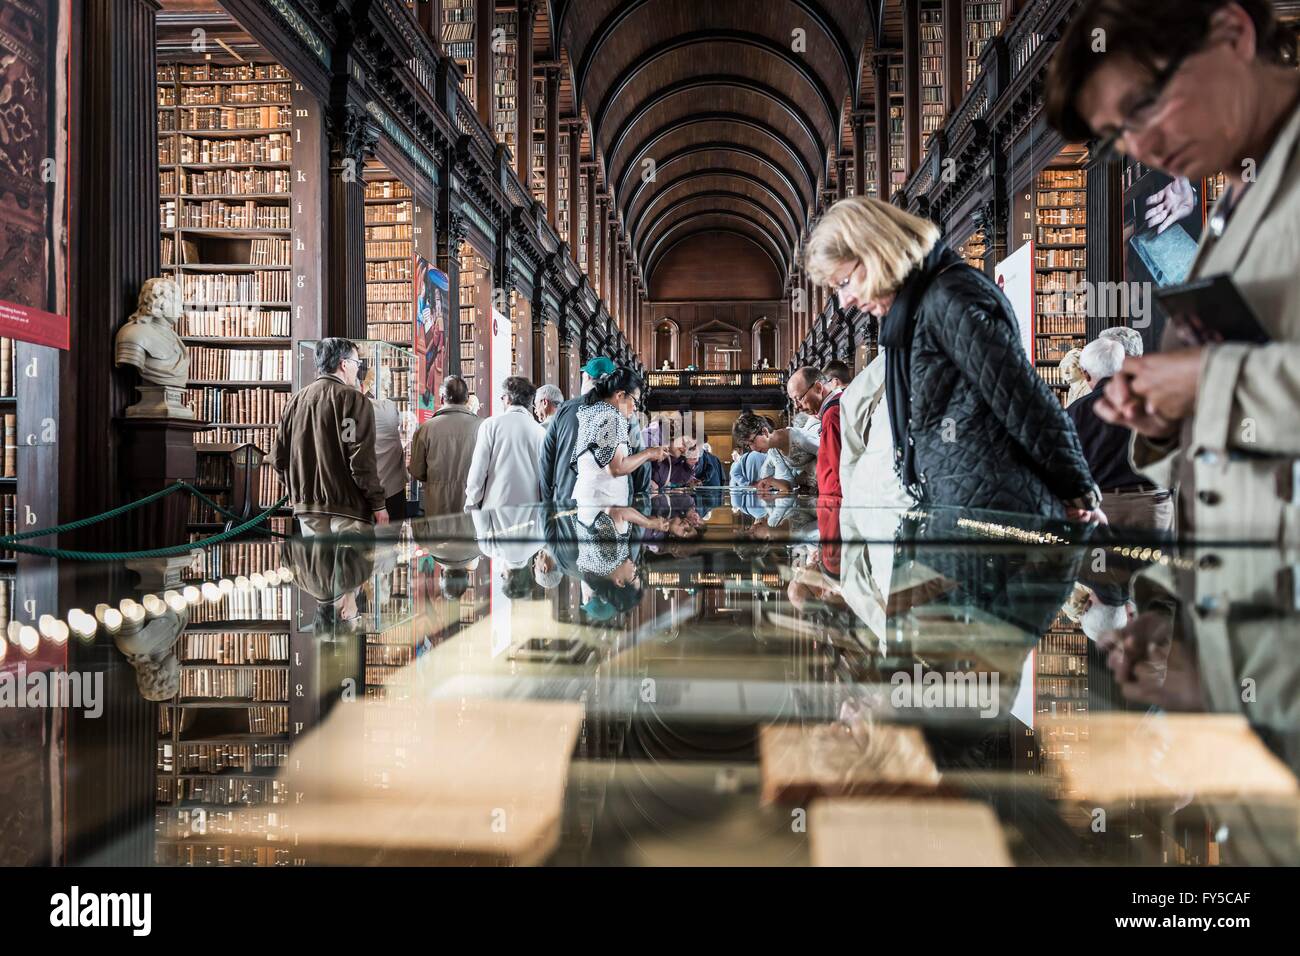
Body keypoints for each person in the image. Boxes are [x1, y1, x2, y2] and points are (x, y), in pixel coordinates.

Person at [1047, 0, 1300, 539]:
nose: (1141, 146)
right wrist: (1162, 423)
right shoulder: (1226, 214)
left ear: (1231, 33)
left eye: (1144, 105)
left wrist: (1205, 381)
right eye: (1118, 135)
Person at [805, 196, 1101, 520]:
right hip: (957, 504)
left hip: (995, 511)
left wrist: (1079, 494)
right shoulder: (912, 312)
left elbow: (1022, 399)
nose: (845, 301)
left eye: (845, 282)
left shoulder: (948, 296)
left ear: (876, 252)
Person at [271, 337, 389, 535]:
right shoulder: (354, 400)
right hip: (348, 508)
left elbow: (278, 459)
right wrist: (378, 503)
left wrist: (298, 490)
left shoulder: (294, 402)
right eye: (357, 363)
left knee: (316, 557)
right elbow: (360, 459)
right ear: (344, 364)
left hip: (308, 507)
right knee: (352, 555)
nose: (358, 369)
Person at [1068, 339, 1175, 532]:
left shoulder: (1075, 411)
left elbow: (1068, 463)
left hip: (1102, 506)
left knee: (1103, 553)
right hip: (1153, 503)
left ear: (1085, 373)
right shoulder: (1154, 402)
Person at [570, 367, 668, 506]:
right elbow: (616, 468)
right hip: (602, 503)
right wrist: (649, 453)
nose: (635, 408)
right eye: (635, 401)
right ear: (620, 395)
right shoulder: (612, 417)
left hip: (592, 500)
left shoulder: (595, 411)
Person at [464, 376, 546, 510]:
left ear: (508, 398)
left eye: (502, 397)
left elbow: (478, 469)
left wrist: (472, 501)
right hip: (531, 508)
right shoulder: (540, 431)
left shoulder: (490, 425)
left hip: (495, 505)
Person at [408, 374, 482, 516]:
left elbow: (417, 471)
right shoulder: (483, 427)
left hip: (437, 508)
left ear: (442, 398)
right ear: (467, 398)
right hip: (472, 508)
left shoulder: (426, 429)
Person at [785, 365, 844, 500]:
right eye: (793, 401)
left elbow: (837, 467)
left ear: (818, 388)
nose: (797, 406)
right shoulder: (838, 406)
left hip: (835, 500)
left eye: (799, 398)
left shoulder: (832, 413)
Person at [366, 364, 409, 521]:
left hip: (367, 485)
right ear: (375, 382)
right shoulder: (388, 407)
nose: (390, 384)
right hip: (392, 486)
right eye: (386, 381)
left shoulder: (358, 405)